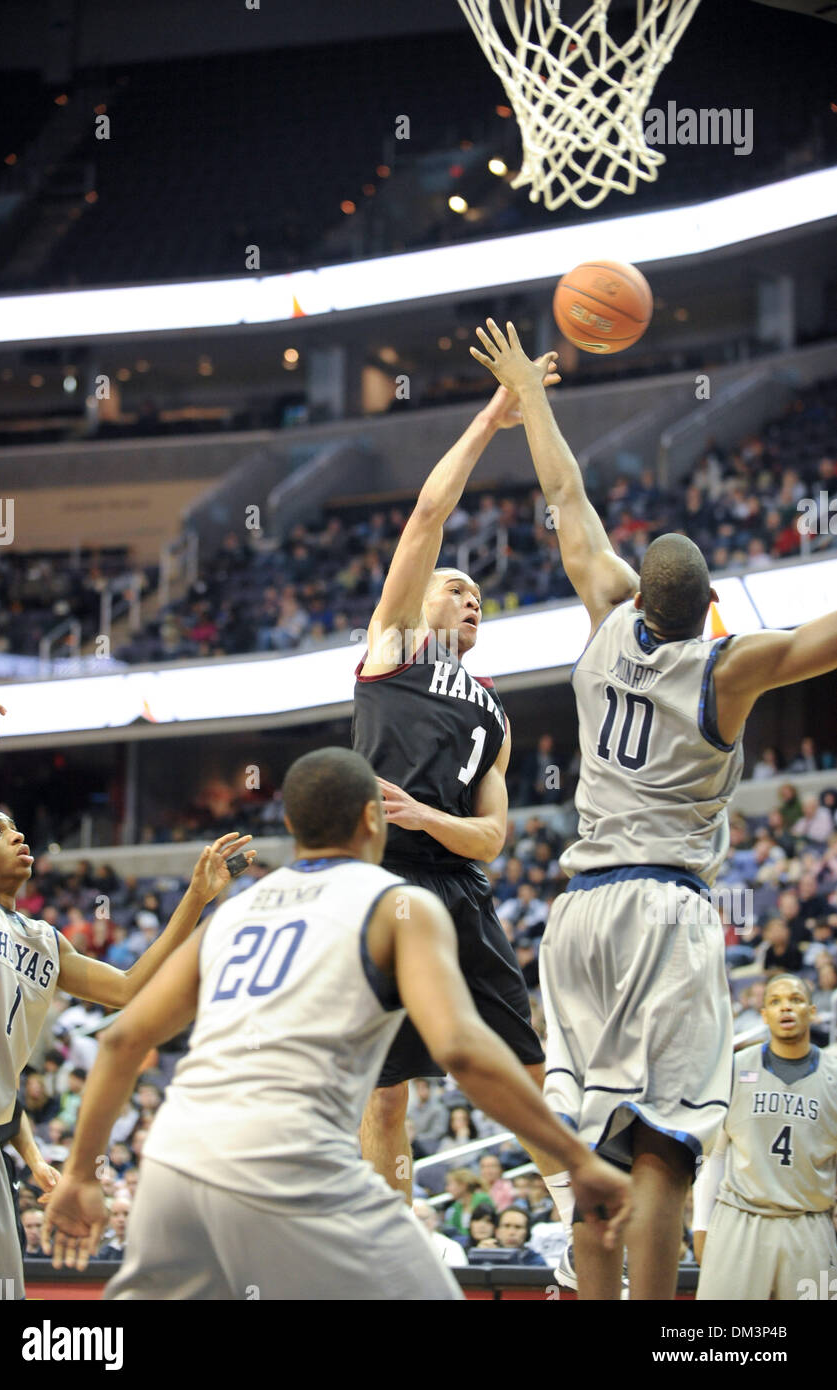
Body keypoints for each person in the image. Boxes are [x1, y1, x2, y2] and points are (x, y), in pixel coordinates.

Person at [472, 318, 837, 1301]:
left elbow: (565, 498)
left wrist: (531, 394)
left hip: (575, 915)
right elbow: (821, 643)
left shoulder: (603, 623)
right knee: (667, 1148)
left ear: (639, 605)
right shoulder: (729, 667)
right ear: (711, 611)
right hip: (663, 911)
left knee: (590, 1150)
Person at [41, 748, 630, 1300]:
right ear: (375, 821)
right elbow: (463, 1050)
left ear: (292, 828)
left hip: (175, 1163)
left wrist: (79, 1175)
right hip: (294, 1158)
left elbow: (121, 1038)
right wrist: (576, 1160)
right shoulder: (398, 904)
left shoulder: (236, 912)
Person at [352, 364, 562, 1202]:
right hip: (380, 880)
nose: (470, 598)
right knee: (387, 1090)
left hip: (457, 884)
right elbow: (427, 516)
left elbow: (492, 837)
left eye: (478, 594)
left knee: (527, 1065)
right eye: (456, 587)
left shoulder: (495, 717)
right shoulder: (392, 647)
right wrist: (490, 418)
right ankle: (394, 1247)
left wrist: (428, 818)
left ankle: (576, 1231)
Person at [0, 696, 255, 1302]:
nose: (17, 835)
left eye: (16, 827)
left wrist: (196, 900)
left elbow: (130, 989)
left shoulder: (44, 940)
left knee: (0, 1296)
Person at [694, 974, 837, 1300]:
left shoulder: (833, 1076)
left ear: (812, 1012)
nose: (786, 1007)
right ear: (763, 1015)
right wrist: (701, 1226)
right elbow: (714, 1156)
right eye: (775, 1001)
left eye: (796, 999)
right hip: (739, 1219)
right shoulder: (732, 1068)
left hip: (809, 1223)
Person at [412, 1200, 467, 1267]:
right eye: (413, 1219)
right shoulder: (400, 1246)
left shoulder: (451, 1247)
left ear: (434, 1219)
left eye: (423, 1218)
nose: (419, 1223)